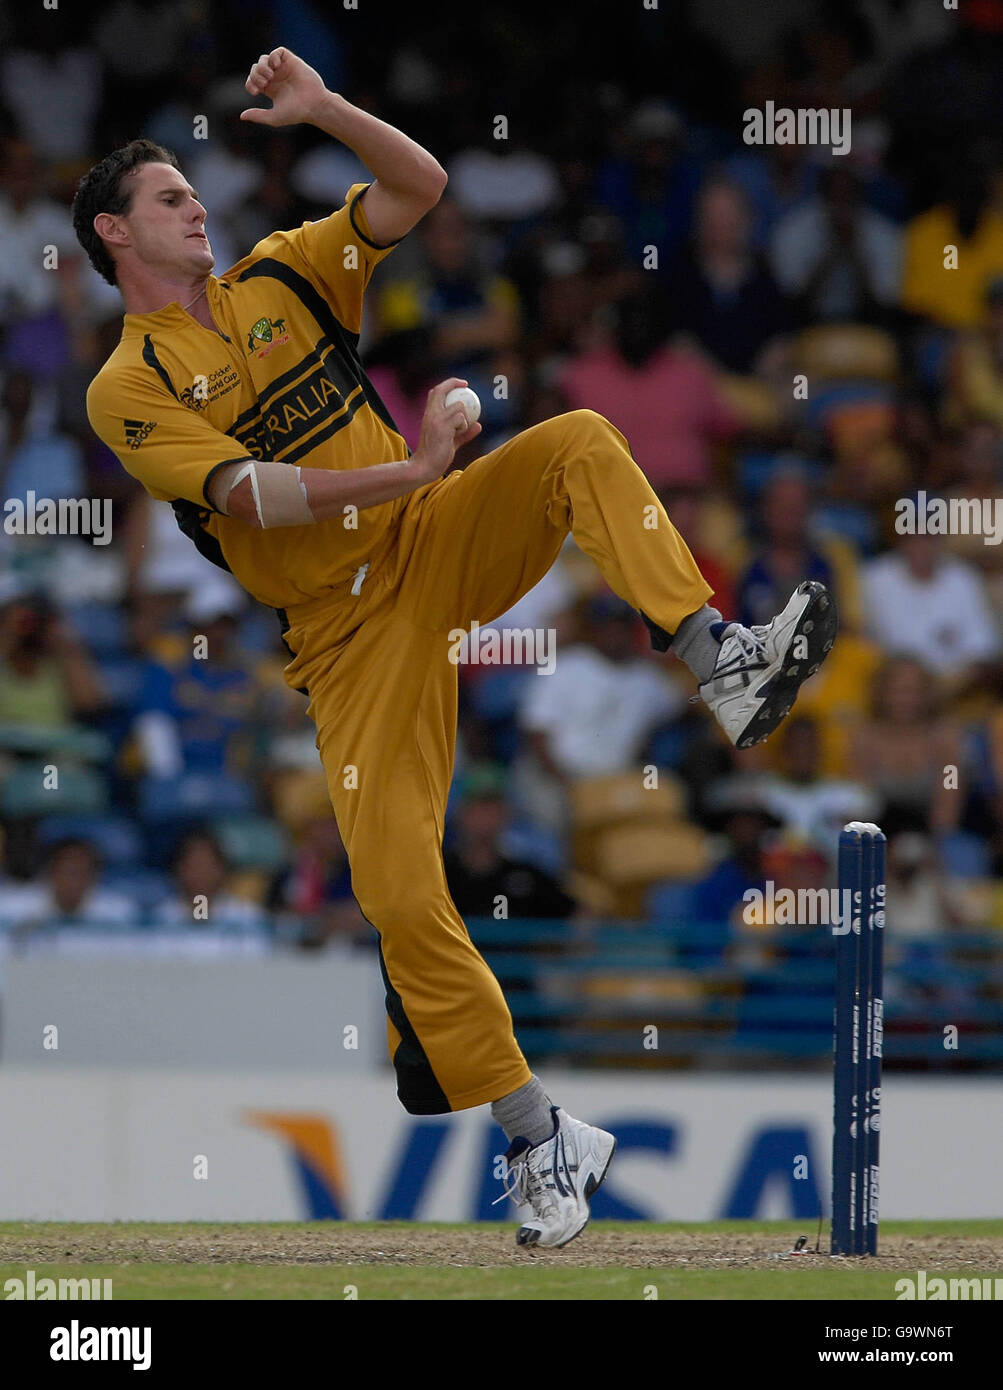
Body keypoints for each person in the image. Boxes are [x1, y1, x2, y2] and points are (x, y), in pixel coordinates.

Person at [75, 46, 836, 1249]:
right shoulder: (127, 382)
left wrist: (325, 110)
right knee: (395, 892)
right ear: (114, 233)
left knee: (580, 436)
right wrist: (412, 463)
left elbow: (421, 186)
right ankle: (542, 1139)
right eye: (170, 198)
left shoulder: (283, 272)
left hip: (435, 537)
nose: (197, 206)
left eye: (195, 191)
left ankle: (717, 655)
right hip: (343, 631)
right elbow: (251, 493)